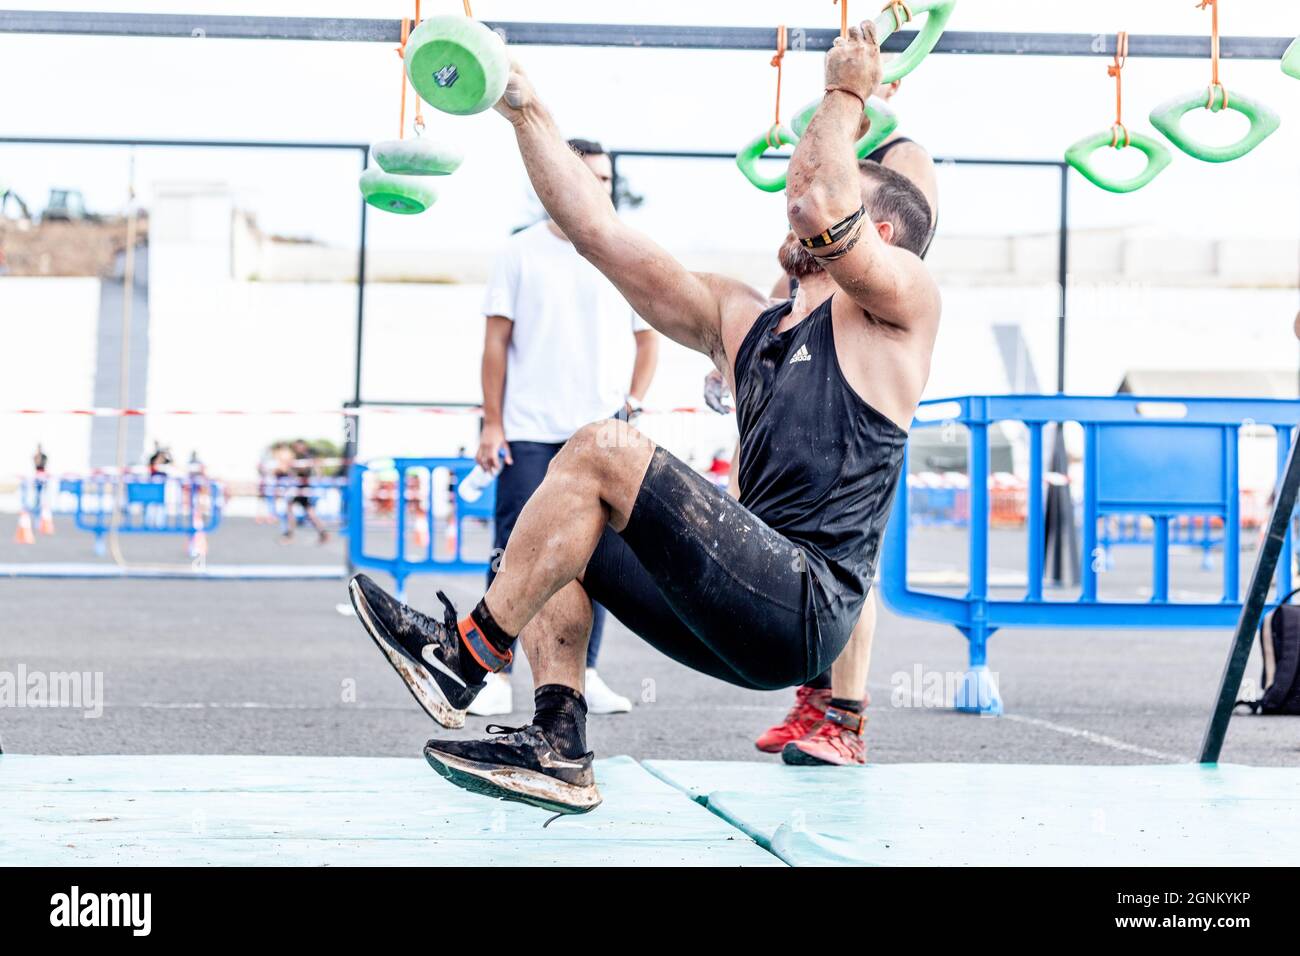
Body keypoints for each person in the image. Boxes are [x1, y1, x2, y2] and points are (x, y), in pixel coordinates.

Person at [348, 21, 940, 814]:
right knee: (550, 530)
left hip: (805, 609)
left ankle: (463, 657)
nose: (794, 210)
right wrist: (525, 111)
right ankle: (558, 743)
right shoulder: (745, 321)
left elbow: (817, 200)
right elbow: (597, 233)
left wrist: (846, 90)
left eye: (847, 189)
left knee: (603, 446)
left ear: (883, 236)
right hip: (737, 601)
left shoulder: (899, 311)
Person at [749, 60, 942, 767]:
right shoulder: (828, 165)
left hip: (868, 378)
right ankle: (814, 697)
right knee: (791, 540)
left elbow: (897, 249)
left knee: (850, 555)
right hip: (814, 363)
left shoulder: (902, 160)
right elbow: (802, 267)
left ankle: (846, 719)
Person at [470, 137, 659, 718]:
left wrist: (632, 402)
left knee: (594, 559)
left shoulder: (623, 253)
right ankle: (494, 675)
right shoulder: (518, 252)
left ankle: (585, 674)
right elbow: (495, 345)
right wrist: (492, 425)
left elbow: (648, 338)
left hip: (598, 438)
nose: (600, 188)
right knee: (513, 550)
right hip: (528, 430)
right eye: (590, 178)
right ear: (557, 178)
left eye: (607, 180)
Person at [281, 439, 330, 544]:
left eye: (298, 446)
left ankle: (290, 535)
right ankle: (323, 533)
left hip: (303, 488)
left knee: (302, 511)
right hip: (299, 487)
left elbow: (310, 469)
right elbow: (291, 472)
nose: (296, 448)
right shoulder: (298, 457)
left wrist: (293, 466)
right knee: (305, 511)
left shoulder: (306, 457)